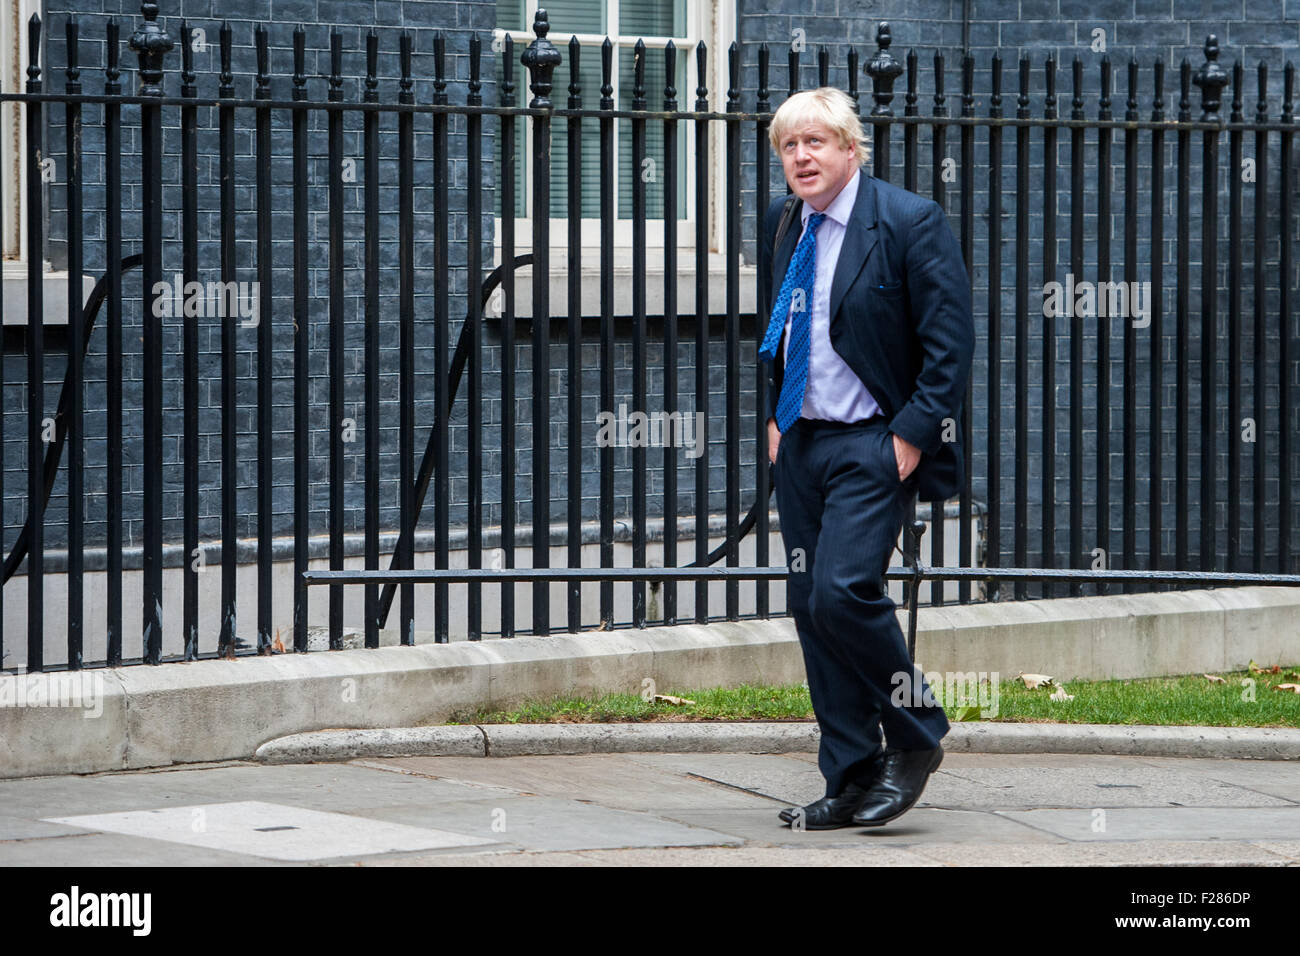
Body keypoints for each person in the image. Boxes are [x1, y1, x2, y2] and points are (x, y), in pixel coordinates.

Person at [760, 87, 974, 829]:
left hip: (874, 442)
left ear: (852, 149)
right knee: (811, 609)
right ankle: (849, 773)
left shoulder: (910, 222)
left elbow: (950, 347)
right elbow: (787, 325)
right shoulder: (786, 221)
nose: (801, 157)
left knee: (843, 591)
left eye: (816, 142)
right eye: (790, 146)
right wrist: (776, 414)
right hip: (805, 442)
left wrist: (910, 434)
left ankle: (915, 738)